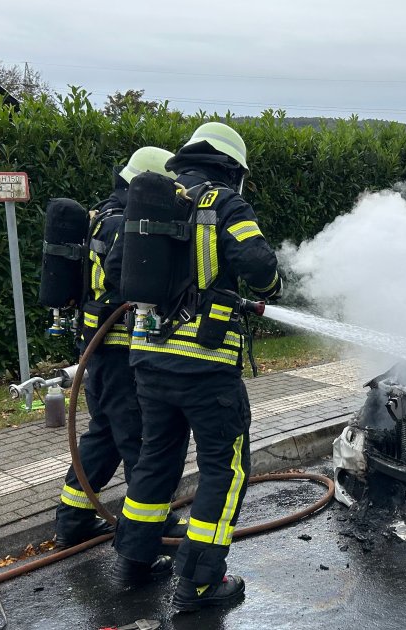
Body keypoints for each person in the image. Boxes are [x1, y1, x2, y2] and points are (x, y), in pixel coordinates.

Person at [113, 122, 282, 610]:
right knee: (223, 472)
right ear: (230, 167)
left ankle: (134, 559)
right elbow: (258, 263)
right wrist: (269, 291)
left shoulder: (149, 200)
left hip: (148, 362)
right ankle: (201, 581)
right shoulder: (225, 203)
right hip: (206, 369)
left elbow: (122, 270)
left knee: (156, 461)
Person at [52, 146, 186, 546]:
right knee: (139, 439)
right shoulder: (125, 220)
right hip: (118, 350)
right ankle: (147, 529)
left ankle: (72, 520)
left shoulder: (101, 214)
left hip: (100, 348)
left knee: (105, 435)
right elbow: (118, 275)